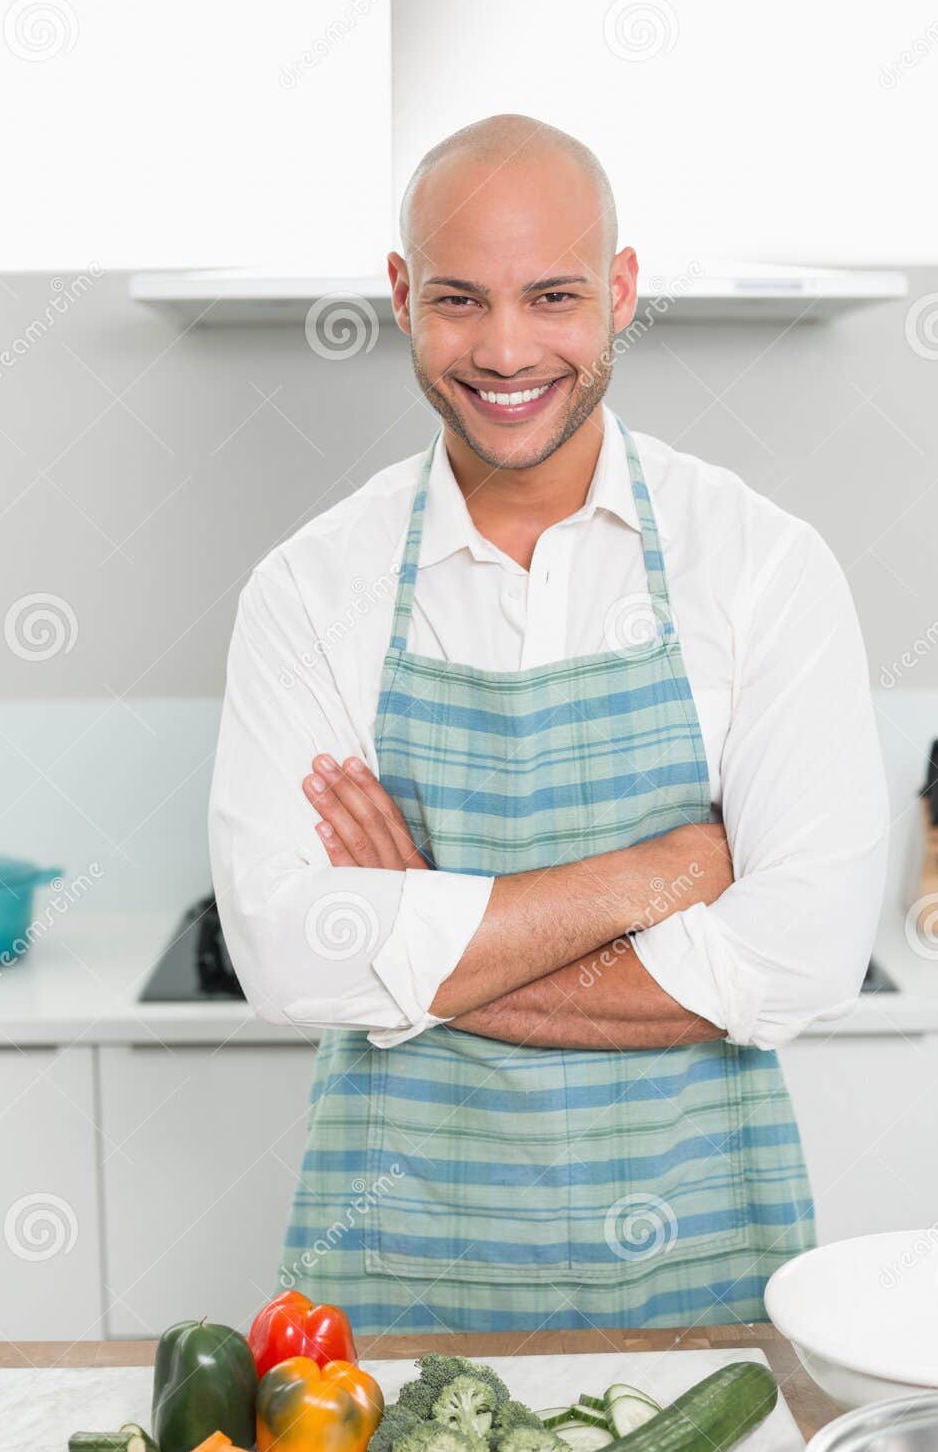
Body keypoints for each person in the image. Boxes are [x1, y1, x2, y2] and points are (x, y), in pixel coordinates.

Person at [209, 114, 889, 1337]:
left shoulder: (758, 565)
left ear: (620, 292)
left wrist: (415, 937)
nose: (506, 348)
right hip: (393, 1270)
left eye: (553, 295)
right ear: (401, 295)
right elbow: (286, 952)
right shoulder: (311, 589)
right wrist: (656, 874)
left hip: (701, 1256)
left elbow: (801, 955)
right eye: (460, 299)